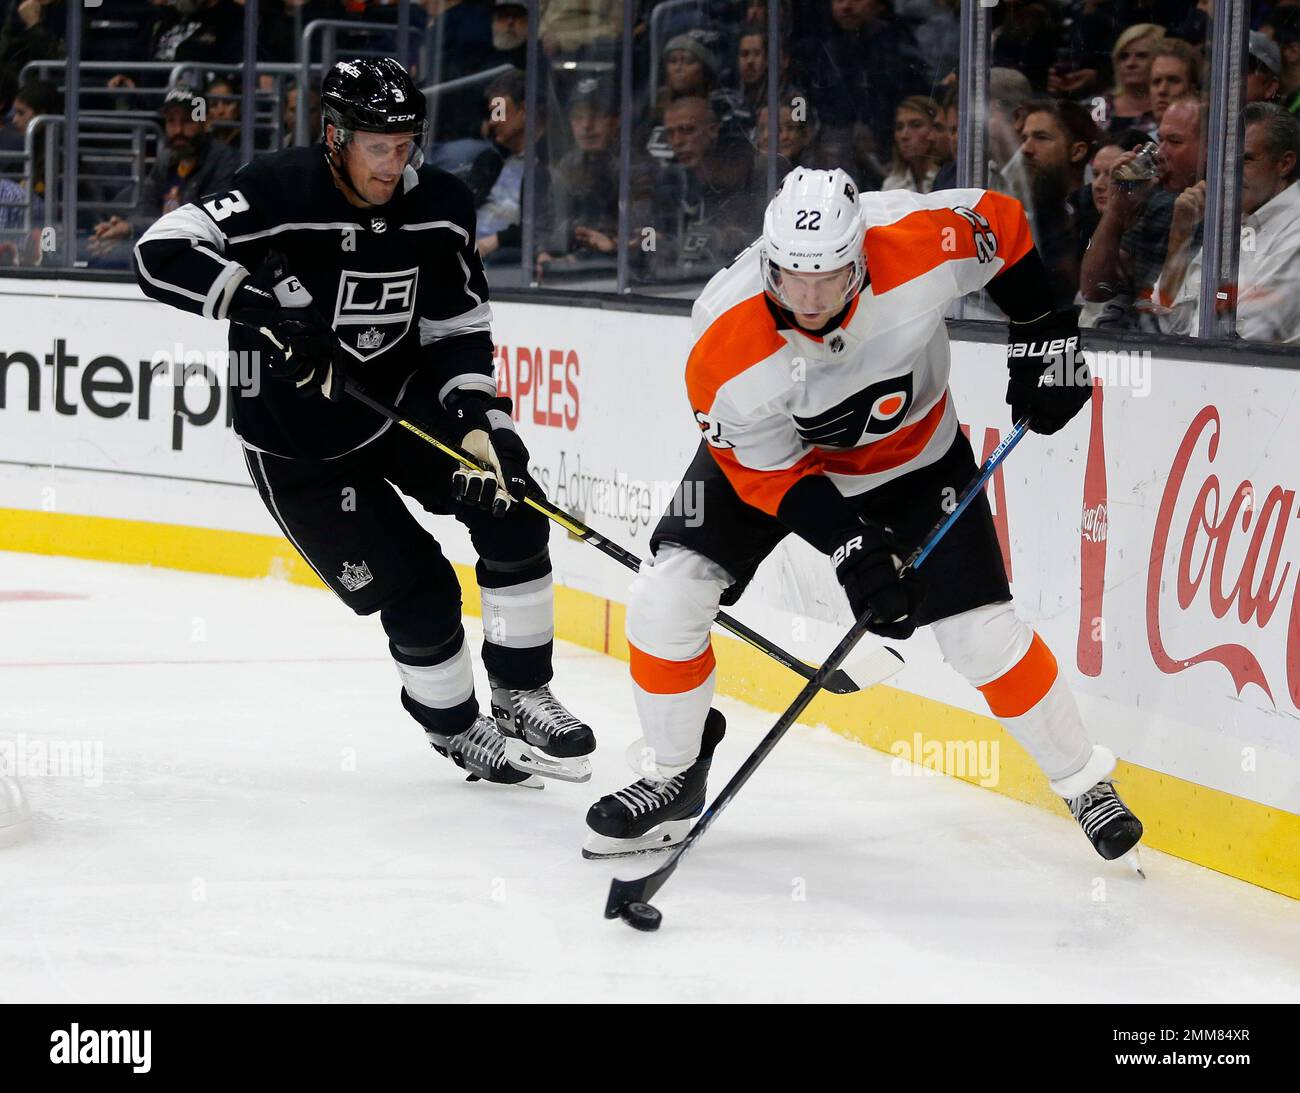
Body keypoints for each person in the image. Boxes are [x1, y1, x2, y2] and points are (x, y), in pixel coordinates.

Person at [583, 167, 1144, 867]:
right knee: (666, 594)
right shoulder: (724, 343)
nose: (809, 299)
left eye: (828, 279)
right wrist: (852, 547)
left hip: (917, 458)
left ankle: (1084, 782)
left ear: (861, 261)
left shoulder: (913, 240)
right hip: (778, 464)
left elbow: (1001, 224)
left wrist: (1042, 335)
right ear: (766, 263)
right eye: (791, 279)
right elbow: (769, 471)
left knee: (980, 635)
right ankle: (672, 773)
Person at [134, 58, 594, 787]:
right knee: (422, 590)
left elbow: (459, 326)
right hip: (297, 446)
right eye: (377, 146)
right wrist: (262, 306)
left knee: (511, 501)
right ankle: (456, 728)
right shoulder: (277, 188)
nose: (393, 161)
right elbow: (157, 253)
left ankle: (521, 690)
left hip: (397, 408)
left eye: (406, 143)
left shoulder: (439, 203)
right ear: (334, 136)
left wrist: (481, 421)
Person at [1152, 103, 1300, 343]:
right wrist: (1180, 235)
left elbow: (1250, 333)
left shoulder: (1296, 228)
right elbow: (1171, 320)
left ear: (1284, 164)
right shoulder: (1234, 223)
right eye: (1225, 160)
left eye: (1245, 160)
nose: (1230, 173)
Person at [1079, 95, 1205, 329]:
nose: (1161, 153)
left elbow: (1169, 320)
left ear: (1210, 148)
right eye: (1161, 140)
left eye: (1175, 142)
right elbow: (1094, 289)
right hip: (1135, 343)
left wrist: (1181, 233)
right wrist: (1117, 207)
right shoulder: (1154, 201)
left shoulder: (1230, 214)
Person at [89, 84, 240, 266]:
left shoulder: (223, 160)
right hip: (162, 249)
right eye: (171, 121)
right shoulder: (167, 159)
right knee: (99, 260)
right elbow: (146, 207)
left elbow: (204, 221)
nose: (177, 131)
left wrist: (131, 228)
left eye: (186, 121)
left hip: (202, 260)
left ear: (206, 122)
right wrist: (121, 226)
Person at [1018, 98, 1101, 308]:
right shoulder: (1032, 218)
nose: (1025, 149)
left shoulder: (1100, 220)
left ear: (1077, 152)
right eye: (1024, 138)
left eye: (1041, 138)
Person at [881, 96, 944, 193]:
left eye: (916, 125)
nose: (904, 135)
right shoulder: (892, 186)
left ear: (935, 130)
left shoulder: (950, 179)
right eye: (899, 127)